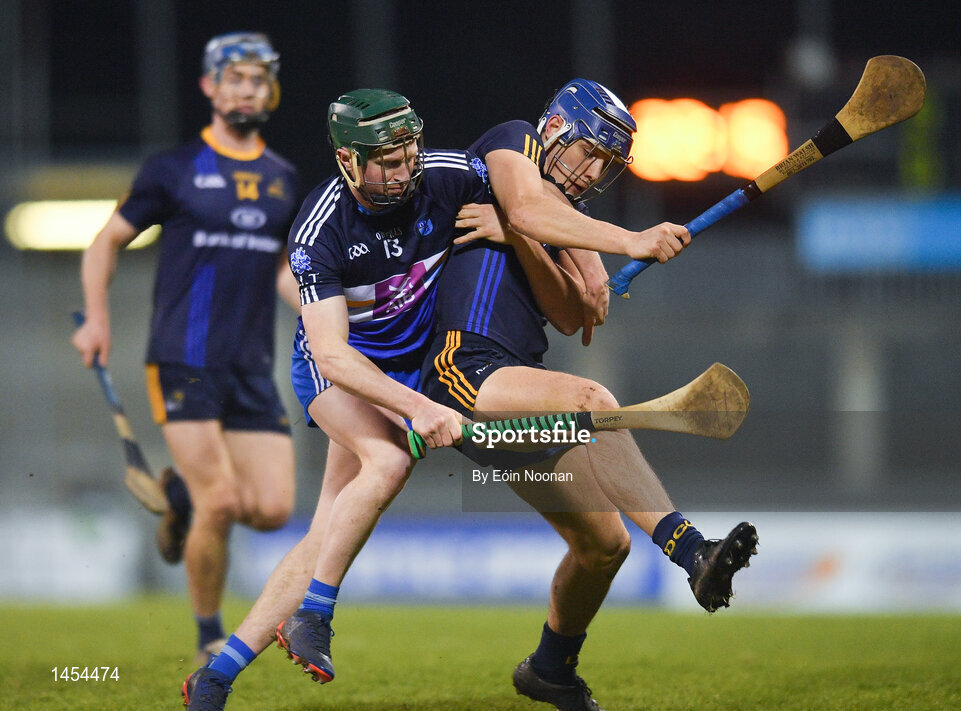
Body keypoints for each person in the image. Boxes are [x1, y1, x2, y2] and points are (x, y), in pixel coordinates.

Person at [179, 87, 687, 710]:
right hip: (344, 369)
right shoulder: (320, 229)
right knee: (388, 461)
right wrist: (418, 407)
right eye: (387, 163)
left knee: (329, 531)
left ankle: (217, 675)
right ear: (347, 161)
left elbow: (536, 200)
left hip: (411, 368)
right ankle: (315, 614)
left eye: (409, 155)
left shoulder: (441, 176)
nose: (403, 172)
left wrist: (551, 246)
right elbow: (333, 355)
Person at [418, 78, 759, 711]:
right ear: (554, 129)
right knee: (593, 400)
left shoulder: (560, 222)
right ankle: (692, 551)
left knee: (605, 546)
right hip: (463, 371)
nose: (592, 172)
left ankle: (550, 670)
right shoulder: (513, 142)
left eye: (606, 164)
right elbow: (528, 208)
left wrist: (525, 239)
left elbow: (574, 313)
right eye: (587, 151)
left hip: (520, 392)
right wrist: (628, 239)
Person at [72, 32, 301, 666]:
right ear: (209, 86)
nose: (247, 90)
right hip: (183, 359)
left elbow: (283, 268)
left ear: (270, 91)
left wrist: (323, 318)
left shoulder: (283, 178)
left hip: (251, 366)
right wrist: (96, 319)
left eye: (257, 81)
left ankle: (178, 500)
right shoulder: (172, 169)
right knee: (221, 501)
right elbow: (104, 243)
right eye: (235, 79)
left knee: (273, 509)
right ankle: (208, 636)